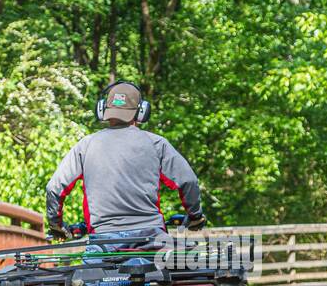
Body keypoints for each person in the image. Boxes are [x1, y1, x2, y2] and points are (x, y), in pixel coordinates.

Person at [45, 81, 206, 239]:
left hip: (103, 242)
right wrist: (195, 216)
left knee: (94, 265)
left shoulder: (86, 146)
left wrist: (56, 225)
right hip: (151, 239)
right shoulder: (156, 144)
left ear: (102, 110)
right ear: (141, 112)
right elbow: (188, 181)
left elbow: (54, 187)